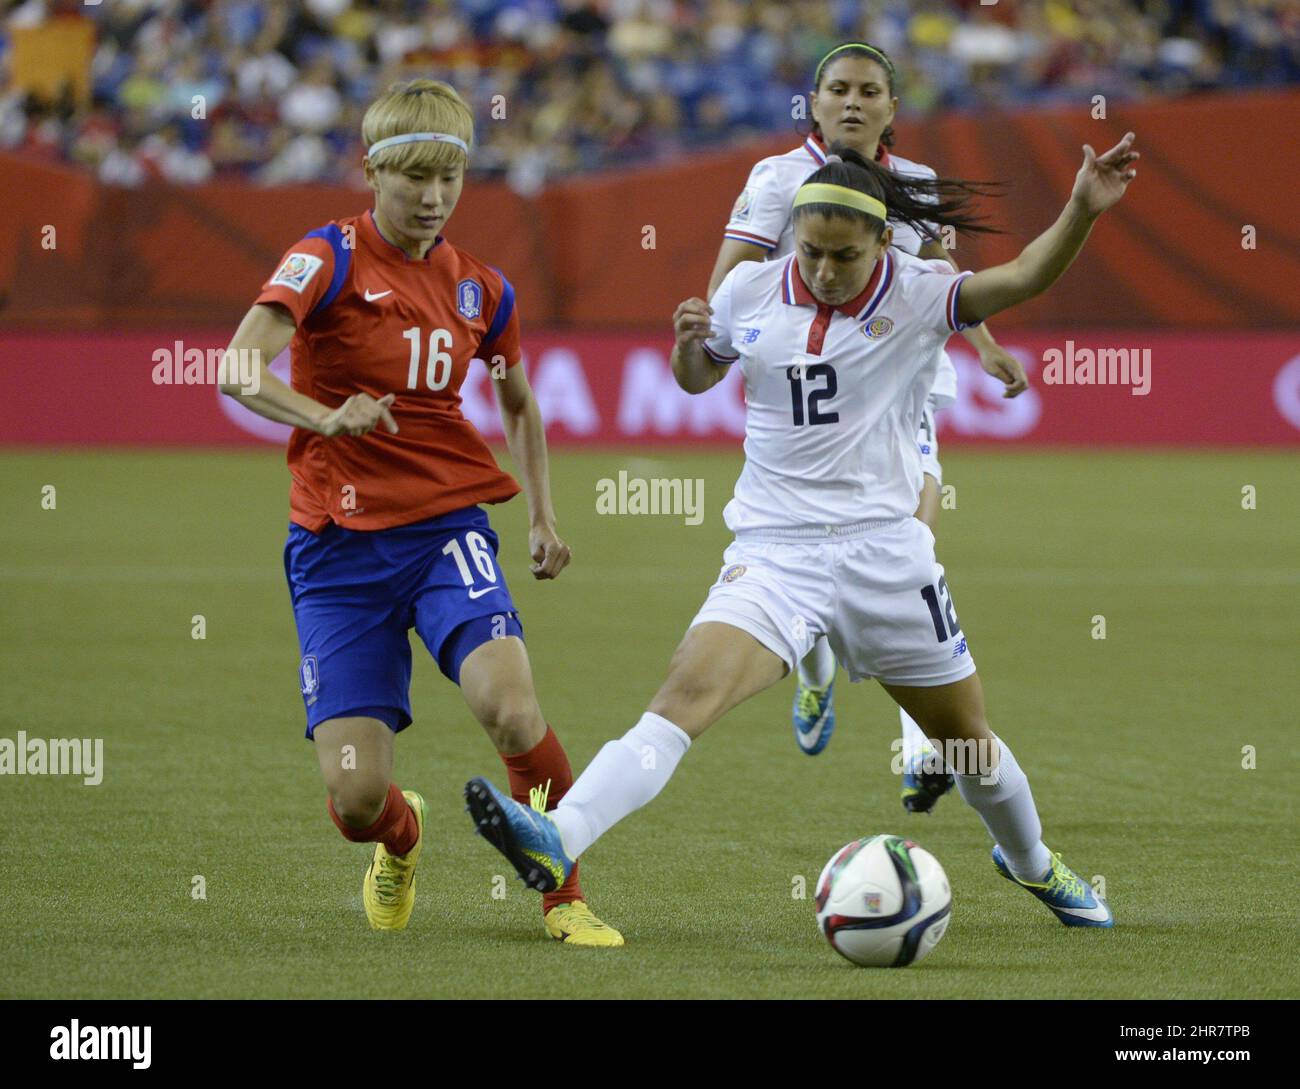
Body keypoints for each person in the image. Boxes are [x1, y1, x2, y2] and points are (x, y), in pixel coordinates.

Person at [464, 131, 1142, 934]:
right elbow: (694, 378)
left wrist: (1081, 210)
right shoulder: (751, 289)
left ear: (881, 240)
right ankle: (557, 836)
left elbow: (1026, 274)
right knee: (682, 698)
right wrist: (688, 346)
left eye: (842, 256)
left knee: (968, 748)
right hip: (773, 551)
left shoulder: (921, 291)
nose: (822, 270)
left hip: (887, 554)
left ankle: (1031, 863)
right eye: (812, 251)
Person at [219, 78, 621, 946]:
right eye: (414, 180)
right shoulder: (324, 257)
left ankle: (565, 895)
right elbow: (237, 367)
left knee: (512, 708)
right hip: (335, 550)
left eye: (451, 179)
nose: (434, 199)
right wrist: (325, 416)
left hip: (446, 532)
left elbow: (517, 403)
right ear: (371, 171)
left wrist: (542, 516)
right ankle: (401, 839)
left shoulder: (482, 290)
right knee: (357, 796)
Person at [709, 42, 1028, 814]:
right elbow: (725, 286)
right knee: (850, 545)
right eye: (839, 89)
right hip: (812, 398)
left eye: (870, 91)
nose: (853, 102)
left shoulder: (913, 184)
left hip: (901, 387)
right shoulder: (778, 179)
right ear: (814, 101)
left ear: (892, 106)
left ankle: (923, 742)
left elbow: (952, 279)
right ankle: (817, 669)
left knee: (909, 537)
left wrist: (983, 346)